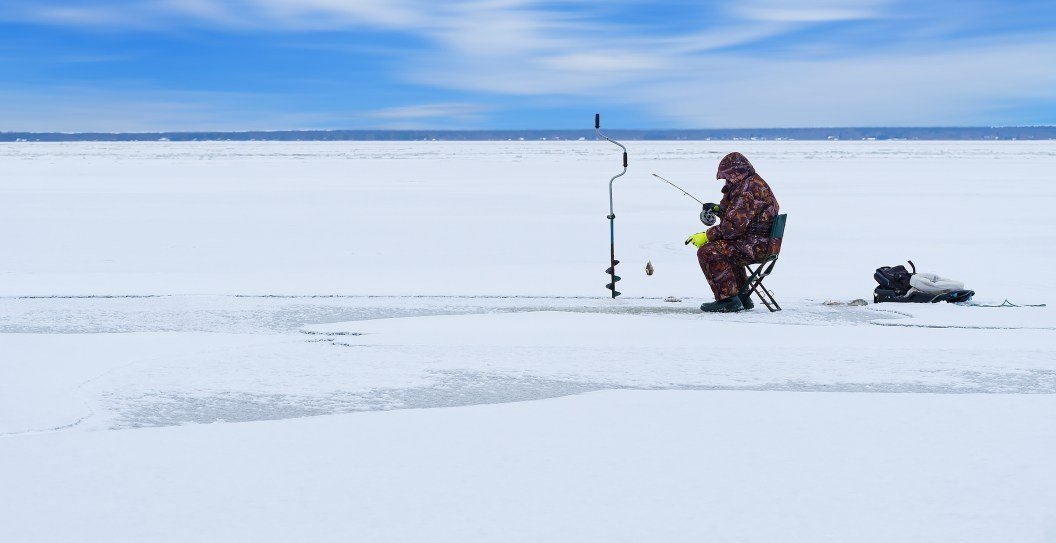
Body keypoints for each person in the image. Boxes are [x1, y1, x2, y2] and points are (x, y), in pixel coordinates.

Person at [685, 152, 780, 312]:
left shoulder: (747, 190)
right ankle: (742, 297)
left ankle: (728, 300)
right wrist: (719, 209)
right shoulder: (753, 183)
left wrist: (706, 236)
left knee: (708, 252)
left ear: (737, 173)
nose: (727, 181)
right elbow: (741, 217)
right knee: (727, 248)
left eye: (728, 177)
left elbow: (732, 228)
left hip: (756, 246)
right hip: (761, 243)